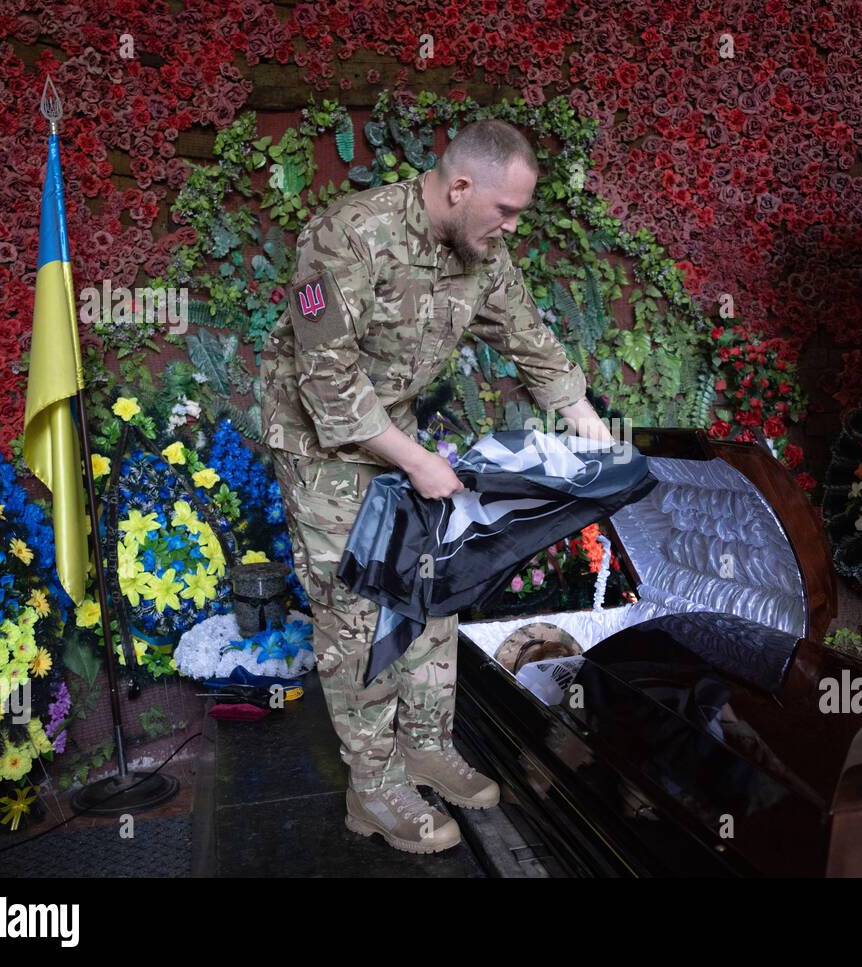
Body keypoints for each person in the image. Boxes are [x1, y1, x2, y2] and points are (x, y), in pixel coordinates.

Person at [259, 119, 613, 854]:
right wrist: (416, 461)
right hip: (324, 451)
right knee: (358, 615)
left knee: (430, 588)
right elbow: (326, 381)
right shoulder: (347, 237)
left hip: (401, 436)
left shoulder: (479, 248)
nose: (511, 226)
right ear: (458, 187)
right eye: (505, 210)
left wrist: (585, 418)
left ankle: (424, 746)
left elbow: (525, 331)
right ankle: (375, 788)